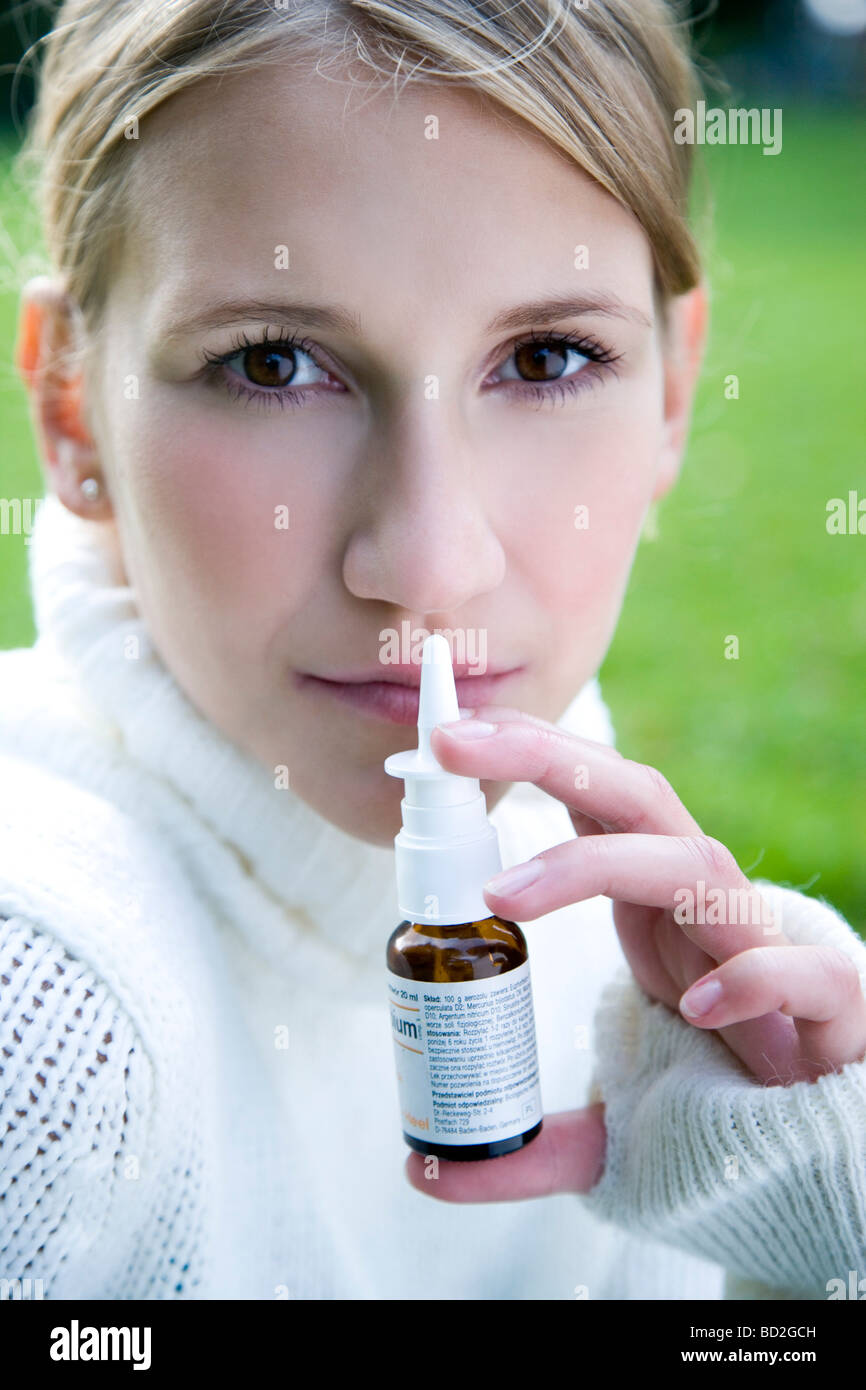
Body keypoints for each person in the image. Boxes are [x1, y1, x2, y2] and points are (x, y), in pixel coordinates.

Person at [1, 0, 864, 1301]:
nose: (427, 561)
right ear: (71, 403)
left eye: (547, 355)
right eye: (273, 361)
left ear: (673, 390)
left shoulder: (566, 825)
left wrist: (817, 1228)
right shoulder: (45, 1005)